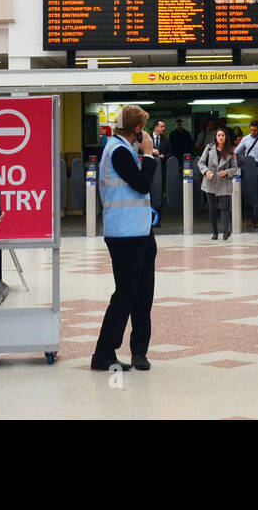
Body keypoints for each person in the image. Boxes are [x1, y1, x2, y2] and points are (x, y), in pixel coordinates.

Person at [92, 104, 159, 373]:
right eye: (142, 125)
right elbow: (142, 184)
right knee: (126, 295)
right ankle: (104, 353)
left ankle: (139, 352)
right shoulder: (118, 151)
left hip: (140, 232)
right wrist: (149, 157)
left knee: (143, 296)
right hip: (124, 236)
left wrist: (144, 156)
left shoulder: (124, 149)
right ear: (137, 129)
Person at [198, 127, 239, 240]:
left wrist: (226, 172)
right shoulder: (209, 147)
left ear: (226, 137)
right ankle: (215, 232)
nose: (221, 137)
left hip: (224, 182)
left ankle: (226, 231)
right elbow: (201, 162)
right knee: (212, 209)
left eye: (223, 135)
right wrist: (206, 171)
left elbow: (235, 168)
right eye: (219, 135)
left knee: (225, 207)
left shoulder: (230, 150)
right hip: (210, 181)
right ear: (215, 137)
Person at [151, 119, 171, 227]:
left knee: (159, 195)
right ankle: (149, 218)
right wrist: (151, 151)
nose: (164, 128)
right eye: (162, 126)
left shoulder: (166, 140)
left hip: (161, 171)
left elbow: (170, 154)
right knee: (149, 195)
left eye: (164, 126)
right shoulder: (147, 139)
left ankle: (158, 220)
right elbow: (140, 153)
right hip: (150, 171)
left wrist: (163, 156)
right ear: (156, 127)